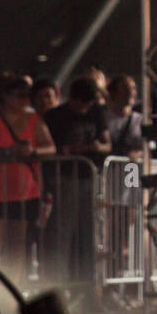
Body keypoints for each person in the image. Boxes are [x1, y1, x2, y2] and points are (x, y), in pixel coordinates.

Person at [0, 74, 56, 284]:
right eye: (18, 95)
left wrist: (33, 150)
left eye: (26, 95)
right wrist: (9, 152)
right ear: (5, 97)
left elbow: (51, 147)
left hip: (25, 191)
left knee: (18, 243)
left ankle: (11, 288)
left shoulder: (34, 120)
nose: (24, 100)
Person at [42, 77, 110, 289]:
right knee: (63, 234)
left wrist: (96, 148)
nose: (85, 108)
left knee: (89, 235)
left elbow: (107, 144)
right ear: (72, 99)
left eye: (89, 104)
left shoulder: (97, 113)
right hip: (65, 179)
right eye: (82, 103)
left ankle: (88, 286)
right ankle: (60, 285)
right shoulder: (54, 116)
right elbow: (51, 147)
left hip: (90, 178)